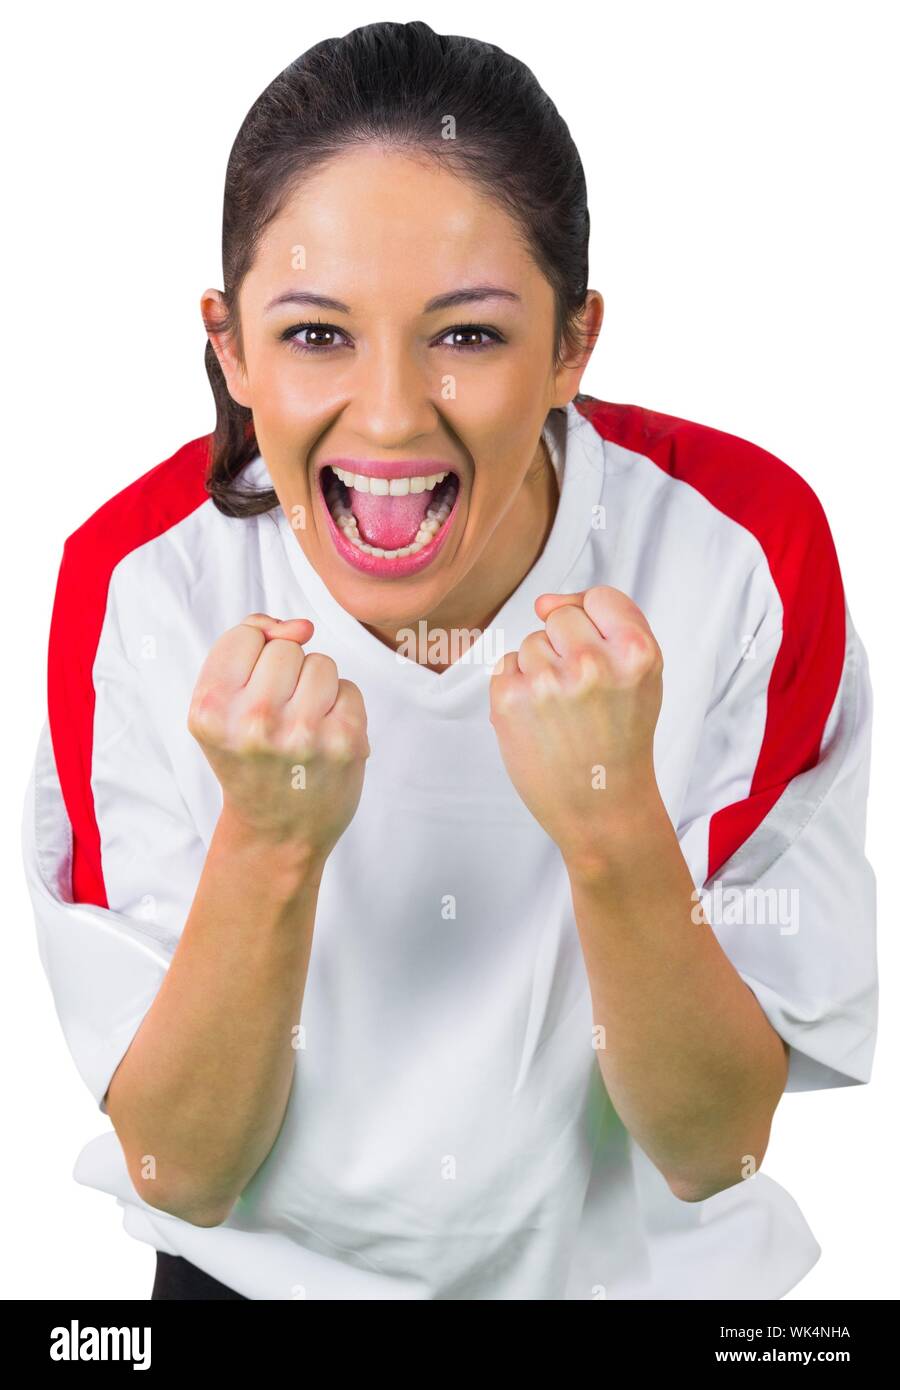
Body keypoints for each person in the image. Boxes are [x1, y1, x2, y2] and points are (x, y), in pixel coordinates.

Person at [22, 19, 877, 1301]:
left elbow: (715, 1150)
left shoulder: (747, 553)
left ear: (573, 346)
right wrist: (268, 842)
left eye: (467, 336)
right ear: (231, 346)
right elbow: (178, 1167)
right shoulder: (137, 587)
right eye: (317, 334)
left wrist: (614, 828)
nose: (387, 415)